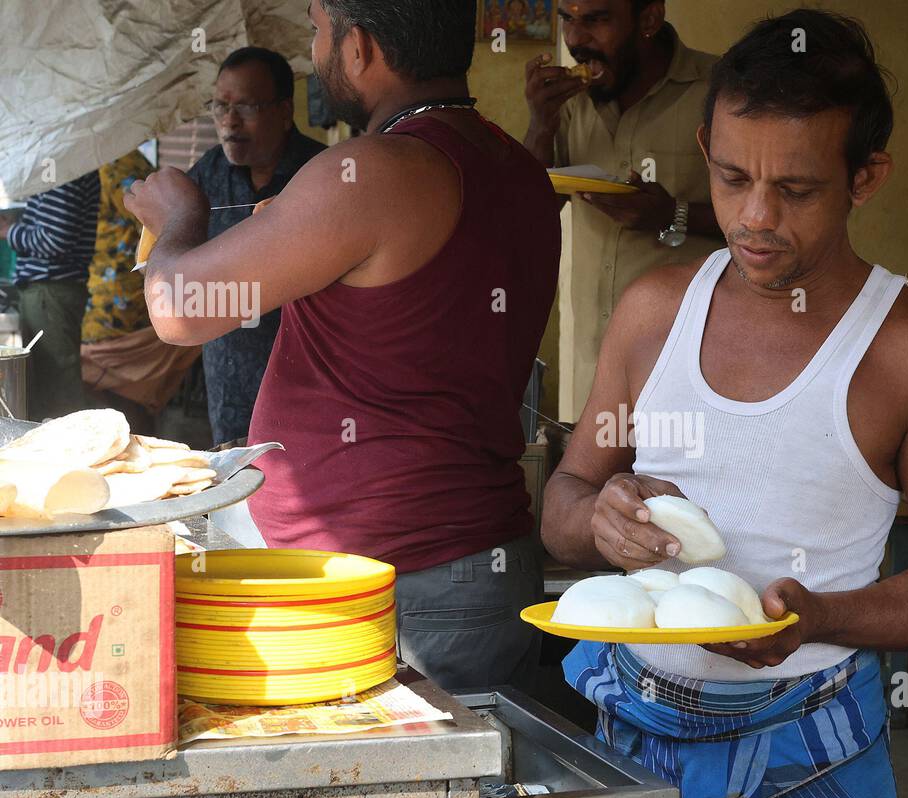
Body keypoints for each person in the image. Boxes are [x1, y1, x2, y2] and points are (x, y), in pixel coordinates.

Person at [541, 9, 908, 798]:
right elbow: (565, 499)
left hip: (812, 753)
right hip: (628, 738)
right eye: (729, 178)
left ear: (866, 177)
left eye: (795, 191)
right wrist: (599, 520)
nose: (754, 218)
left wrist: (820, 617)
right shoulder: (654, 313)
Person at [125, 0, 560, 692]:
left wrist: (179, 218)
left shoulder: (375, 171)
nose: (315, 48)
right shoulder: (517, 168)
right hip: (469, 564)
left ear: (358, 48)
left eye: (319, 31)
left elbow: (180, 307)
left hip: (396, 584)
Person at [523, 0, 724, 415]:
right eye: (567, 20)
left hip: (692, 376)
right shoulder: (568, 104)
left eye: (596, 20)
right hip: (593, 376)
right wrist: (540, 125)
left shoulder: (721, 90)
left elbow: (767, 222)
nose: (577, 39)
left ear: (649, 19)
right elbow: (529, 214)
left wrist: (672, 215)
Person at [187, 46, 326, 445]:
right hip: (228, 379)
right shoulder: (207, 173)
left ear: (284, 112)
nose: (229, 122)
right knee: (233, 487)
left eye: (246, 107)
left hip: (306, 384)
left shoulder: (322, 174)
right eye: (220, 106)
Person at [82, 150, 201, 434]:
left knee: (117, 390)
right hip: (118, 295)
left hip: (117, 301)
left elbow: (156, 224)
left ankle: (138, 443)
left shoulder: (111, 166)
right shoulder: (125, 165)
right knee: (117, 388)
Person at [1, 171, 99, 420]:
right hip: (49, 291)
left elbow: (55, 239)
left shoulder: (63, 170)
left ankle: (71, 453)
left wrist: (9, 230)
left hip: (49, 290)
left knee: (57, 388)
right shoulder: (63, 166)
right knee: (48, 382)